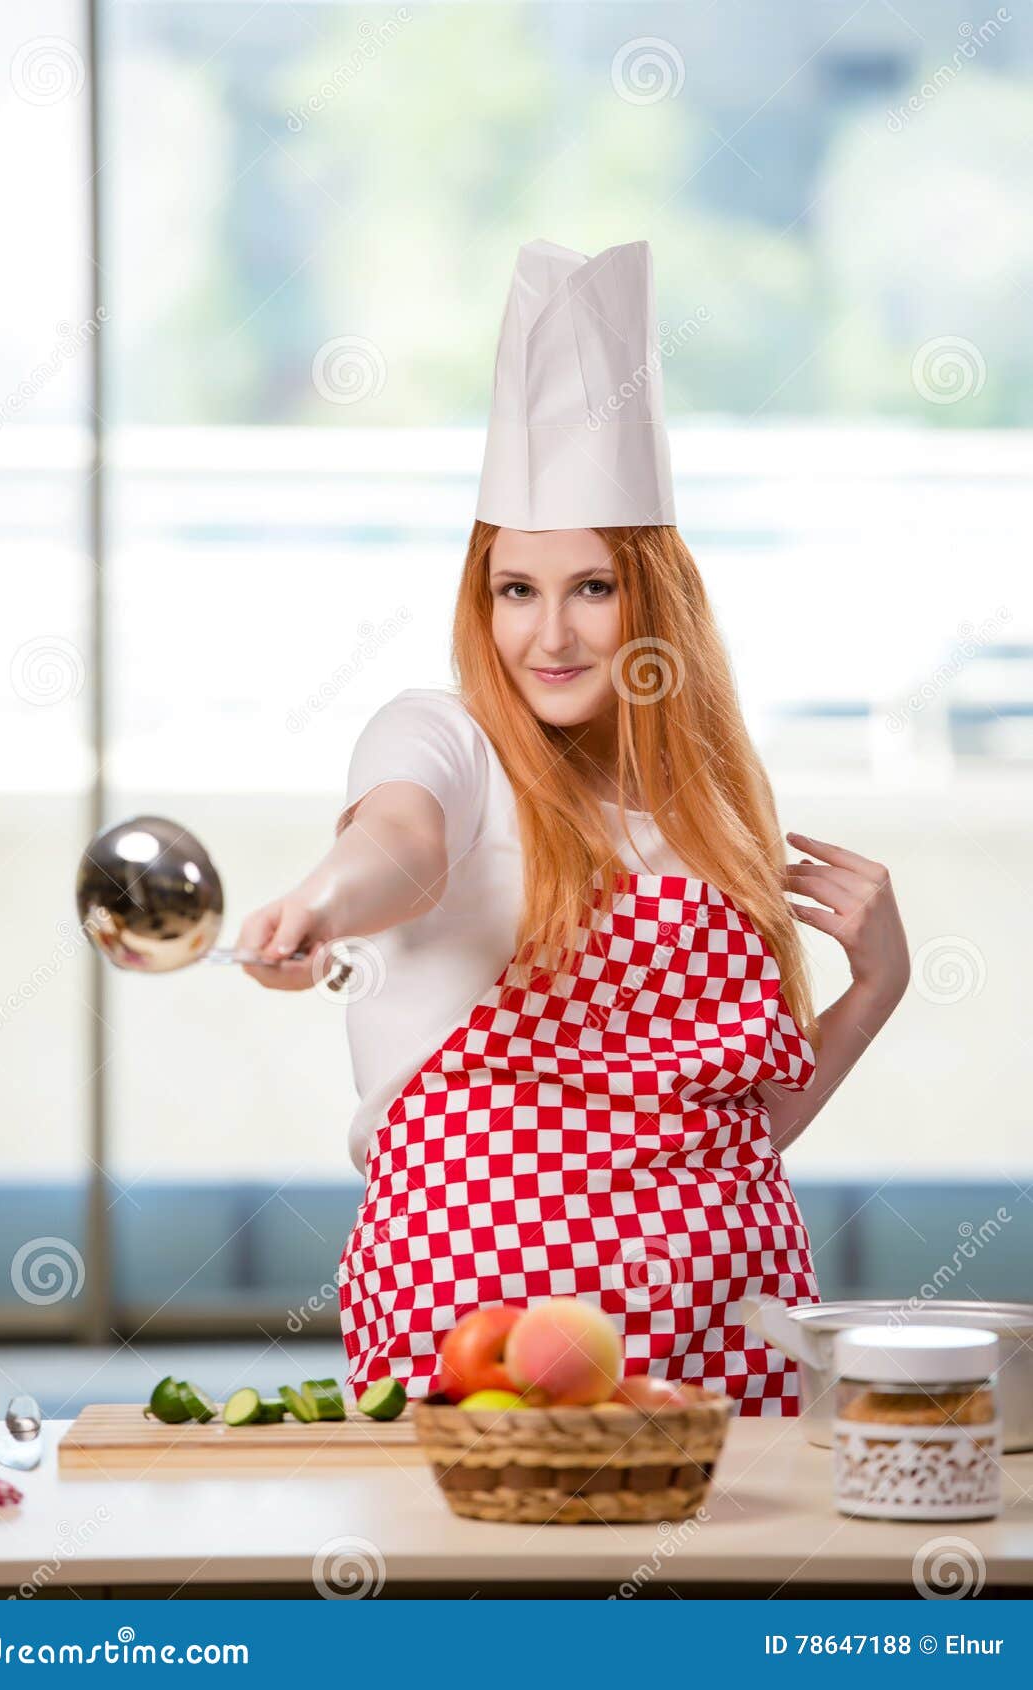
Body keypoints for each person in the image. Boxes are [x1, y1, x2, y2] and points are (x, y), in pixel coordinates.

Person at [239, 239, 910, 1414]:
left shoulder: (715, 807)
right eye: (516, 589)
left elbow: (739, 1128)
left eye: (591, 588)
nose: (549, 635)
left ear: (652, 599)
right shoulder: (443, 740)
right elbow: (400, 840)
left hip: (725, 1345)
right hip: (474, 1349)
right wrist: (321, 902)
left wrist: (874, 989)